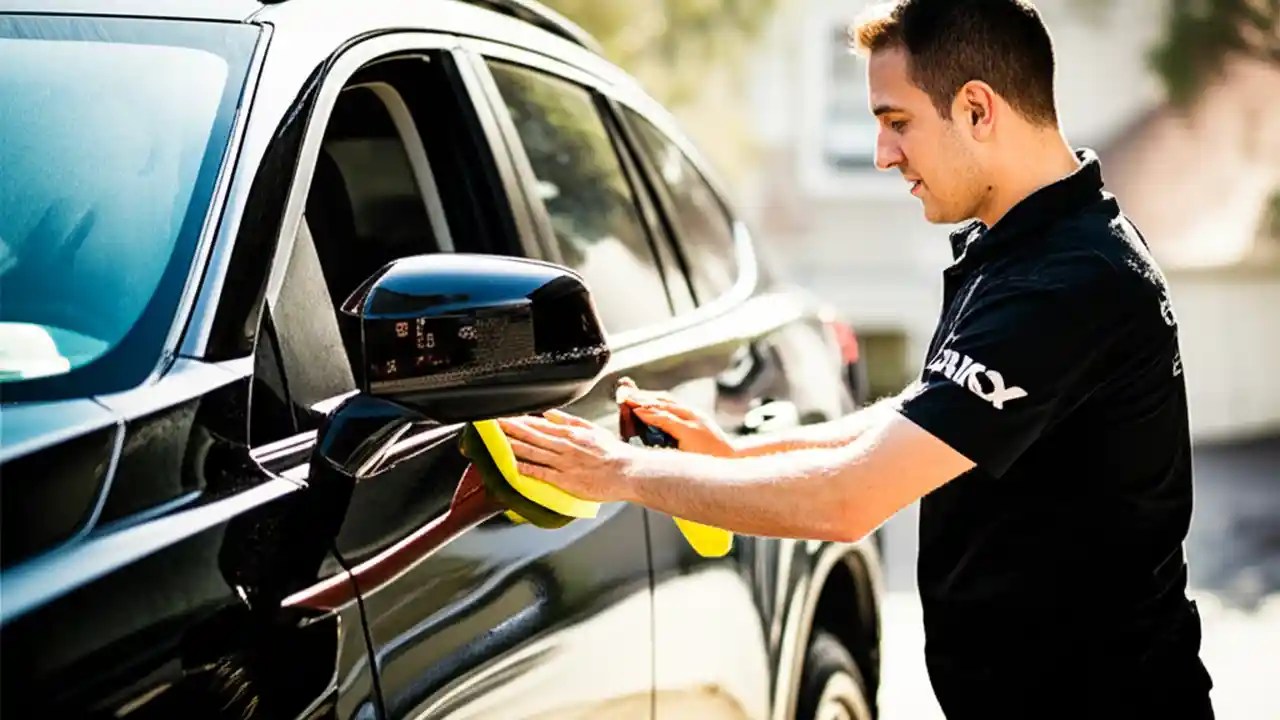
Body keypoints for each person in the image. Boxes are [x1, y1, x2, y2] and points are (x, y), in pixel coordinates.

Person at [498, 0, 1214, 715]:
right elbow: (923, 416)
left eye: (897, 121)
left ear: (976, 110)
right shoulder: (1035, 249)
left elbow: (851, 500)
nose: (884, 154)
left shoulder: (1065, 283)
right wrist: (732, 455)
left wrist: (621, 471)